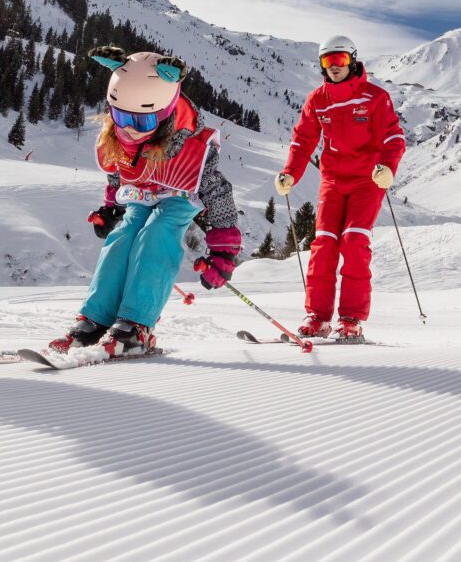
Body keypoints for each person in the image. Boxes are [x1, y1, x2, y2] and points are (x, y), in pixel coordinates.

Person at [50, 47, 242, 358]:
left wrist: (223, 254)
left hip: (180, 196)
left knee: (157, 232)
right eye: (122, 116)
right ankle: (95, 320)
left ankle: (136, 326)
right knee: (123, 237)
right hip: (140, 195)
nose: (128, 128)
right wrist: (111, 207)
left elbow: (220, 199)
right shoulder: (118, 134)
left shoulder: (190, 146)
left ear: (165, 114)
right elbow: (118, 171)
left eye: (140, 122)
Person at [274, 34, 405, 343]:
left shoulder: (374, 96)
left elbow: (393, 136)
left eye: (340, 59)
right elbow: (303, 139)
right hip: (332, 181)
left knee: (354, 242)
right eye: (327, 60)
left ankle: (350, 319)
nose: (334, 66)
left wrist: (387, 167)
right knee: (323, 245)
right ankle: (318, 318)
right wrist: (290, 173)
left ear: (353, 60)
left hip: (366, 180)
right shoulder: (318, 100)